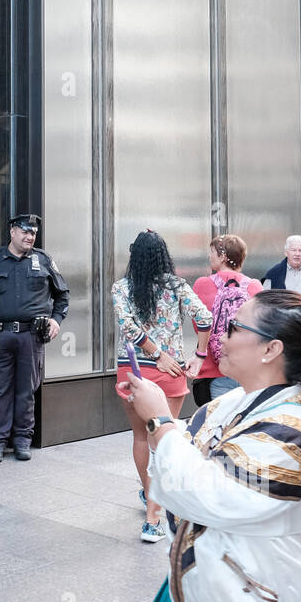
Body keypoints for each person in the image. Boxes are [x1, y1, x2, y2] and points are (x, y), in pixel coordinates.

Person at [122, 290, 301, 602]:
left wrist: (160, 420)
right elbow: (177, 472)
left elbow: (202, 495)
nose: (220, 337)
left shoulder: (293, 434)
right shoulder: (231, 402)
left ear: (271, 349)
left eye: (233, 328)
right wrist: (162, 428)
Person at [112, 230, 211, 543]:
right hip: (170, 372)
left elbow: (128, 327)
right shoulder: (177, 285)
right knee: (165, 442)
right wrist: (199, 355)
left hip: (133, 370)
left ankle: (150, 501)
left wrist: (155, 353)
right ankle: (157, 512)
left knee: (141, 437)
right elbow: (205, 317)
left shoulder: (121, 287)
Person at [0, 213, 69, 464]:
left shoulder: (43, 260)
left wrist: (56, 320)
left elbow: (62, 296)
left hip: (31, 337)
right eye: (25, 231)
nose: (30, 236)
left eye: (33, 233)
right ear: (12, 232)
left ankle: (22, 440)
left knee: (26, 391)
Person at [190, 233, 262, 405]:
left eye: (212, 252)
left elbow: (199, 325)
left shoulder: (202, 284)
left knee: (219, 424)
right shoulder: (255, 285)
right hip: (247, 369)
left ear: (223, 257)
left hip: (214, 370)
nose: (209, 256)